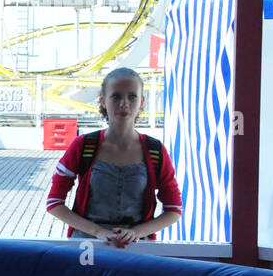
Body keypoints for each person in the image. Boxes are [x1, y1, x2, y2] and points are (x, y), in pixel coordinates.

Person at [46, 66, 181, 247]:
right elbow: (54, 202)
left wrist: (136, 233)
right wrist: (98, 232)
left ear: (141, 101)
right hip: (87, 248)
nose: (124, 103)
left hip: (138, 250)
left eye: (131, 96)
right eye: (116, 96)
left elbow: (174, 209)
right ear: (103, 101)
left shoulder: (155, 151)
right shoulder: (83, 146)